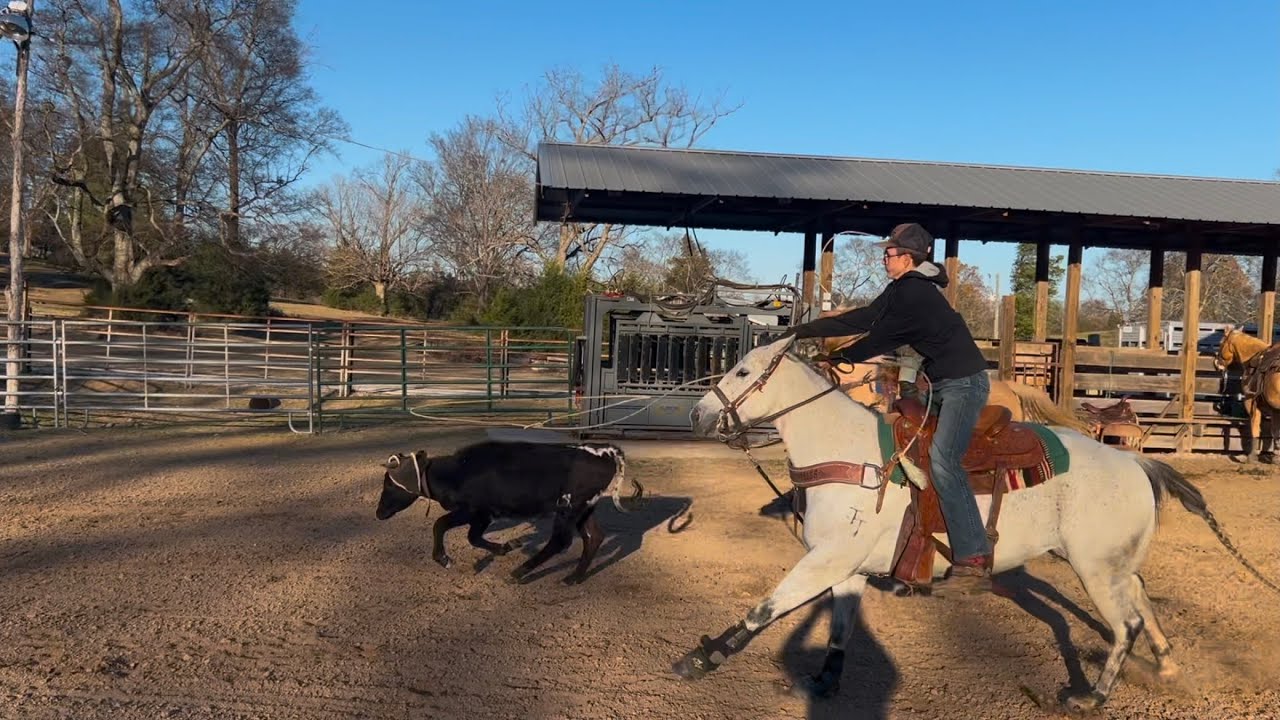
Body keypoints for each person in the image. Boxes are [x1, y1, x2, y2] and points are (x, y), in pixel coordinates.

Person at [785, 222, 993, 590]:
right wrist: (806, 330)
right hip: (941, 383)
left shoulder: (916, 295)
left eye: (890, 253)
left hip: (964, 384)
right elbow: (865, 318)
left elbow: (881, 336)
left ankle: (973, 557)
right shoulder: (902, 289)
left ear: (908, 258)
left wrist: (841, 356)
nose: (884, 257)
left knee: (944, 460)